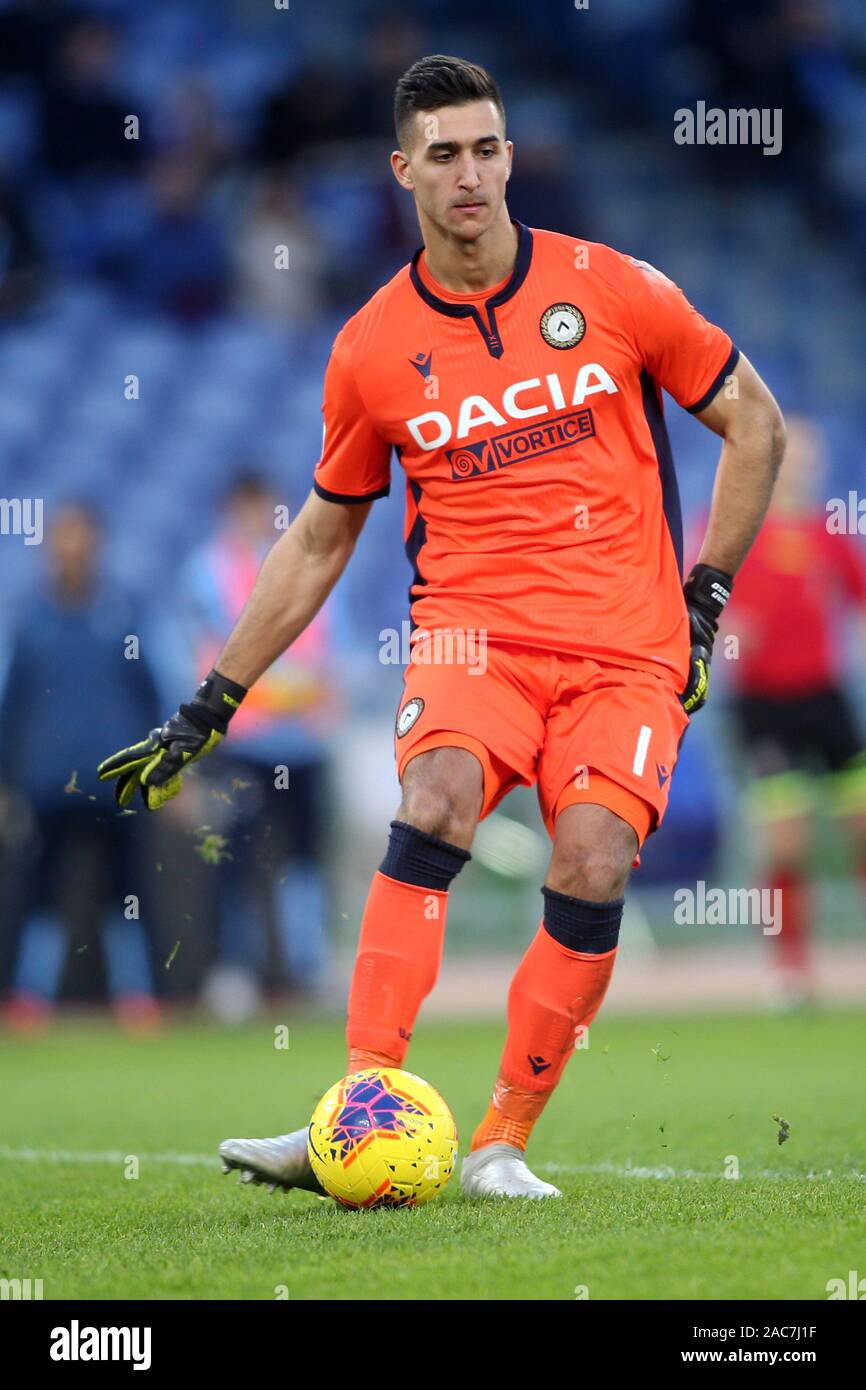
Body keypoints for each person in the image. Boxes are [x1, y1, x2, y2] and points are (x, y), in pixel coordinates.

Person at [97, 56, 785, 1198]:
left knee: (593, 857)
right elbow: (318, 539)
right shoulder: (371, 346)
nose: (468, 174)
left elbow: (752, 422)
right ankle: (355, 1118)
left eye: (486, 148)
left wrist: (703, 593)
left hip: (626, 646)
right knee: (434, 801)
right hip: (475, 641)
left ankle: (500, 1142)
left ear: (508, 155)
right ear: (401, 169)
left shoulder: (611, 288)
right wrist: (208, 702)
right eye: (444, 153)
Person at [176, 472, 339, 1012]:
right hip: (244, 740)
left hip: (302, 744)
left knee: (303, 862)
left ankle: (306, 967)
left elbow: (328, 652)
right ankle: (236, 971)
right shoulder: (210, 570)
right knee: (236, 857)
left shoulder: (300, 561)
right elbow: (208, 650)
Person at [722, 414, 866, 1006]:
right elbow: (704, 606)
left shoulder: (827, 533)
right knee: (785, 841)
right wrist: (729, 635)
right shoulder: (735, 528)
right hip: (763, 707)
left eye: (808, 453)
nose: (798, 463)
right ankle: (789, 970)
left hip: (825, 700)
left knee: (860, 830)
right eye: (789, 452)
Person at [1, 501, 161, 1031]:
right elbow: (13, 707)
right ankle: (30, 998)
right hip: (47, 783)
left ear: (96, 544)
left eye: (80, 536)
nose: (71, 547)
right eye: (62, 537)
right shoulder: (31, 622)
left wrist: (159, 767)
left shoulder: (122, 615)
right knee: (41, 893)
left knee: (127, 893)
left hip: (116, 782)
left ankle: (136, 998)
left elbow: (150, 697)